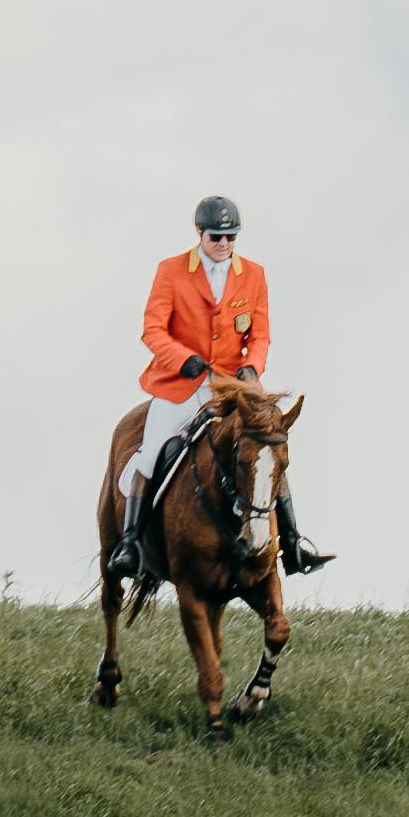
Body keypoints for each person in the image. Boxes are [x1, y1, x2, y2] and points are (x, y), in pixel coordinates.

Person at [115, 192, 330, 584]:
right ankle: (130, 542)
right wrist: (185, 360)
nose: (225, 244)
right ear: (200, 234)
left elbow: (261, 335)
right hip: (180, 384)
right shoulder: (171, 270)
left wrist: (251, 366)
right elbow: (153, 329)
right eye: (217, 237)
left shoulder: (254, 274)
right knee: (149, 456)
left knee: (265, 450)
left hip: (233, 388)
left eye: (231, 237)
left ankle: (294, 544)